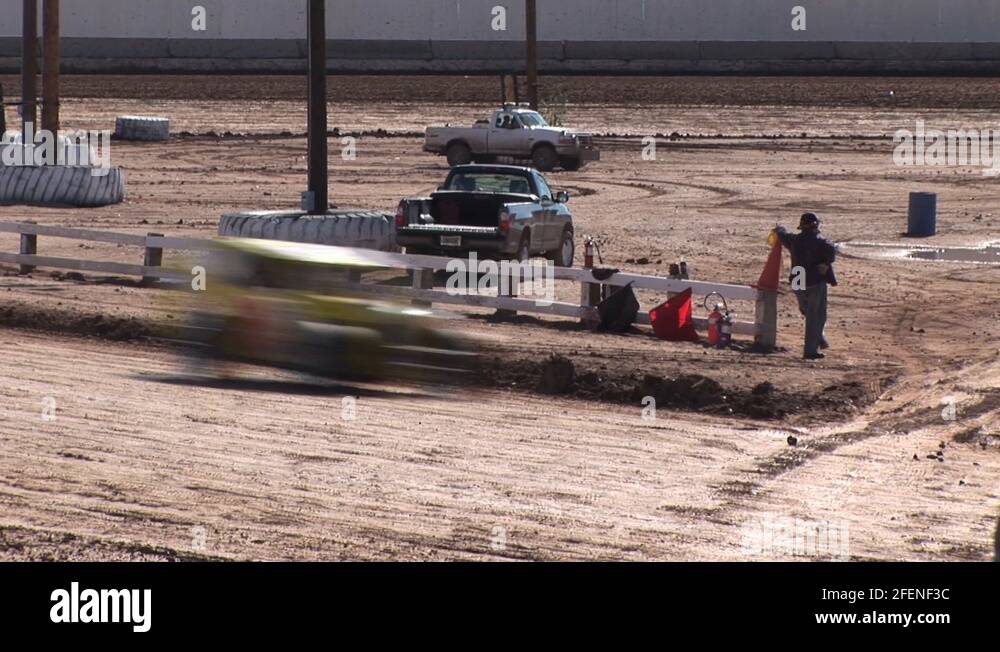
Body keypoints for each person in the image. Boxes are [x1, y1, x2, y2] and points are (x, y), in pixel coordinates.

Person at [775, 212, 838, 360]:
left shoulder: (794, 240)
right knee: (816, 317)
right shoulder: (822, 242)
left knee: (808, 312)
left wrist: (779, 229)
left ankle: (819, 338)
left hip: (798, 278)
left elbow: (782, 235)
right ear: (816, 226)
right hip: (814, 280)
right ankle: (811, 350)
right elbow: (831, 253)